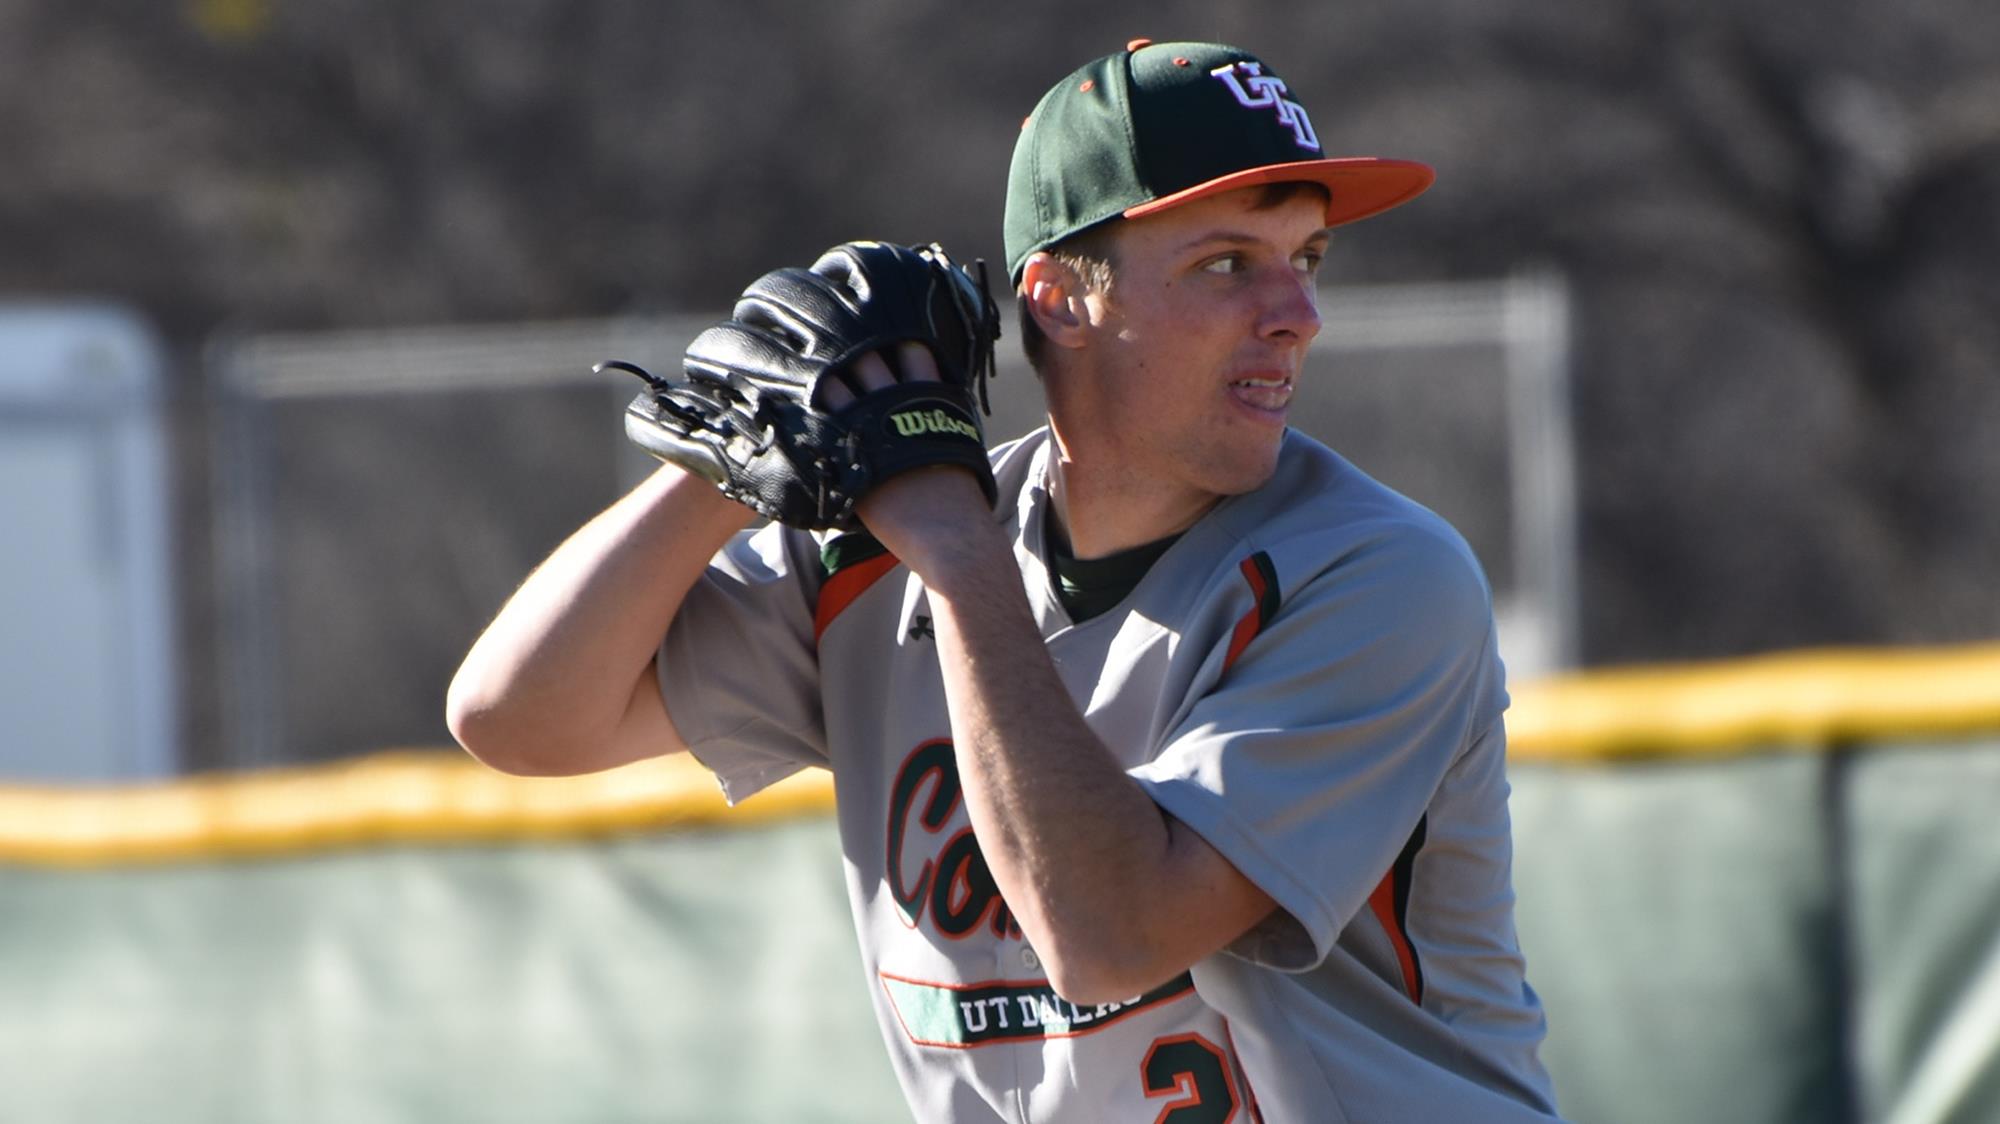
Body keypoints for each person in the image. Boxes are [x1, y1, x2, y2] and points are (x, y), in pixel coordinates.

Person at [449, 37, 1562, 1122]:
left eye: (1305, 258)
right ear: (1059, 296)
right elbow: (516, 716)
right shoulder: (886, 553)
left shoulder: (1374, 574)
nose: (1296, 314)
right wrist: (729, 462)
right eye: (1227, 262)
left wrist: (962, 561)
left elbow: (1109, 936)